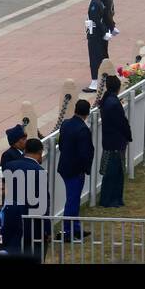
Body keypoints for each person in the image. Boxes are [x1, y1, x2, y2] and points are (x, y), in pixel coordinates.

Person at [2, 138, 50, 258]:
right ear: (40, 152)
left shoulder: (9, 166)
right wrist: (47, 228)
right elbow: (43, 203)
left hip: (10, 219)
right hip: (33, 224)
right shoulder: (40, 171)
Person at [57, 100, 94, 241]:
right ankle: (68, 231)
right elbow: (85, 153)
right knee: (72, 201)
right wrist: (85, 168)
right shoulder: (83, 129)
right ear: (87, 113)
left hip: (65, 166)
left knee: (74, 199)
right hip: (75, 170)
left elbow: (61, 145)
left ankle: (75, 228)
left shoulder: (66, 124)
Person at [98, 76, 132, 208]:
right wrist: (128, 136)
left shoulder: (107, 101)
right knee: (114, 172)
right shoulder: (113, 103)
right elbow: (122, 123)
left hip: (110, 140)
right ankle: (111, 199)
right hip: (115, 142)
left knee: (112, 172)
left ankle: (111, 199)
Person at [83, 0, 111, 93]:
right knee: (101, 56)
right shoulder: (99, 0)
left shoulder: (95, 3)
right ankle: (105, 78)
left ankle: (95, 82)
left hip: (95, 35)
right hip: (98, 34)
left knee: (95, 58)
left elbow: (97, 20)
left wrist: (105, 32)